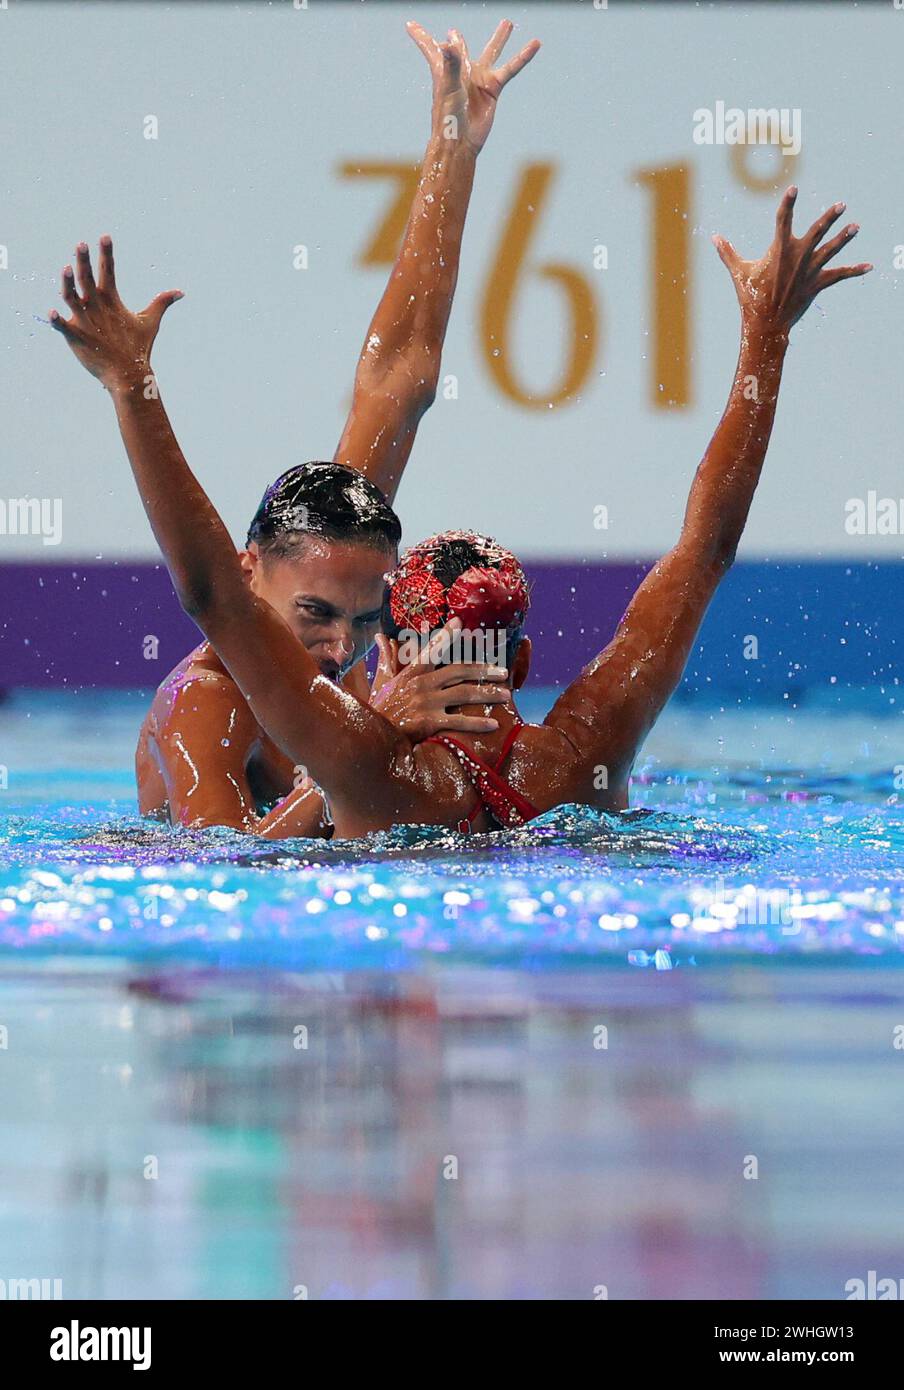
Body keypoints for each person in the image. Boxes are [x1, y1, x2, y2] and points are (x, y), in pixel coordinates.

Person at [52, 188, 870, 838]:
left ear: (395, 650)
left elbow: (210, 594)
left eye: (367, 625)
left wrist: (133, 387)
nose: (343, 647)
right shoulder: (587, 751)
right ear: (519, 665)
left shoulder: (364, 765)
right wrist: (767, 338)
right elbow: (705, 551)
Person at [98, 18, 537, 833]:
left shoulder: (340, 561)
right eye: (317, 617)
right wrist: (368, 743)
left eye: (370, 620)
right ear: (249, 571)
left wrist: (455, 146)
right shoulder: (205, 707)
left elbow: (401, 374)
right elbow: (225, 878)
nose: (342, 650)